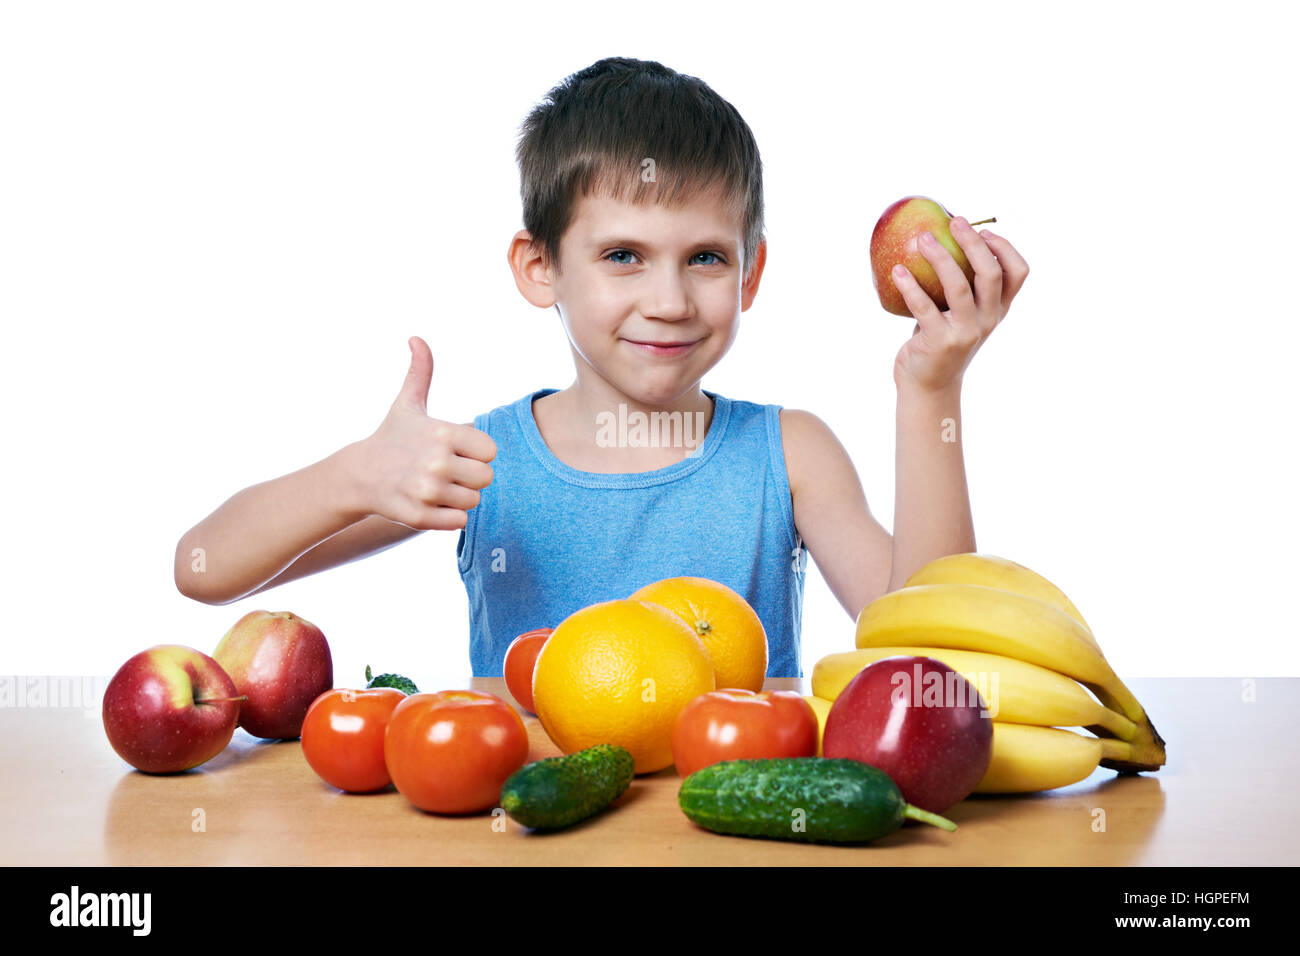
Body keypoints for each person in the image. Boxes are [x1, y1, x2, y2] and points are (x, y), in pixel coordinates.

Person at [174, 56, 1028, 679]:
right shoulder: (479, 464)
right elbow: (204, 565)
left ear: (753, 273)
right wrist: (356, 475)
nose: (669, 299)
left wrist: (931, 388)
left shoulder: (792, 456)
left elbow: (932, 662)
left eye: (705, 259)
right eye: (623, 254)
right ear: (538, 266)